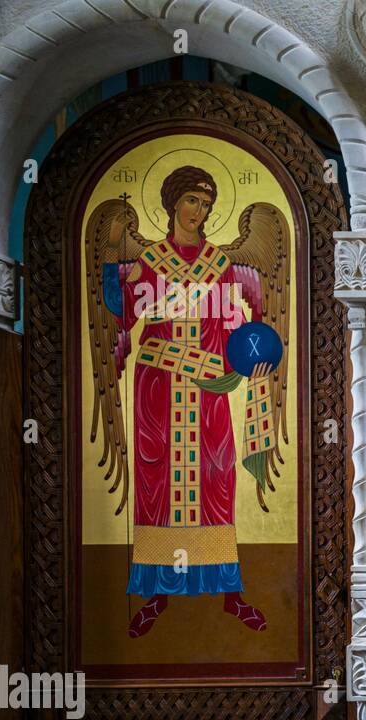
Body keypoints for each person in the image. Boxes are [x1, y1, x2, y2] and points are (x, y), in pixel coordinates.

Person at [108, 166, 271, 635]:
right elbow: (120, 311)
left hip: (206, 388)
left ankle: (229, 594)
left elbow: (238, 328)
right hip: (158, 389)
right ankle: (157, 592)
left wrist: (254, 356)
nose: (199, 212)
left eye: (206, 204)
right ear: (173, 204)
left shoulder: (220, 264)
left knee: (215, 482)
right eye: (192, 201)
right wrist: (110, 251)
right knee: (159, 484)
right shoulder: (151, 262)